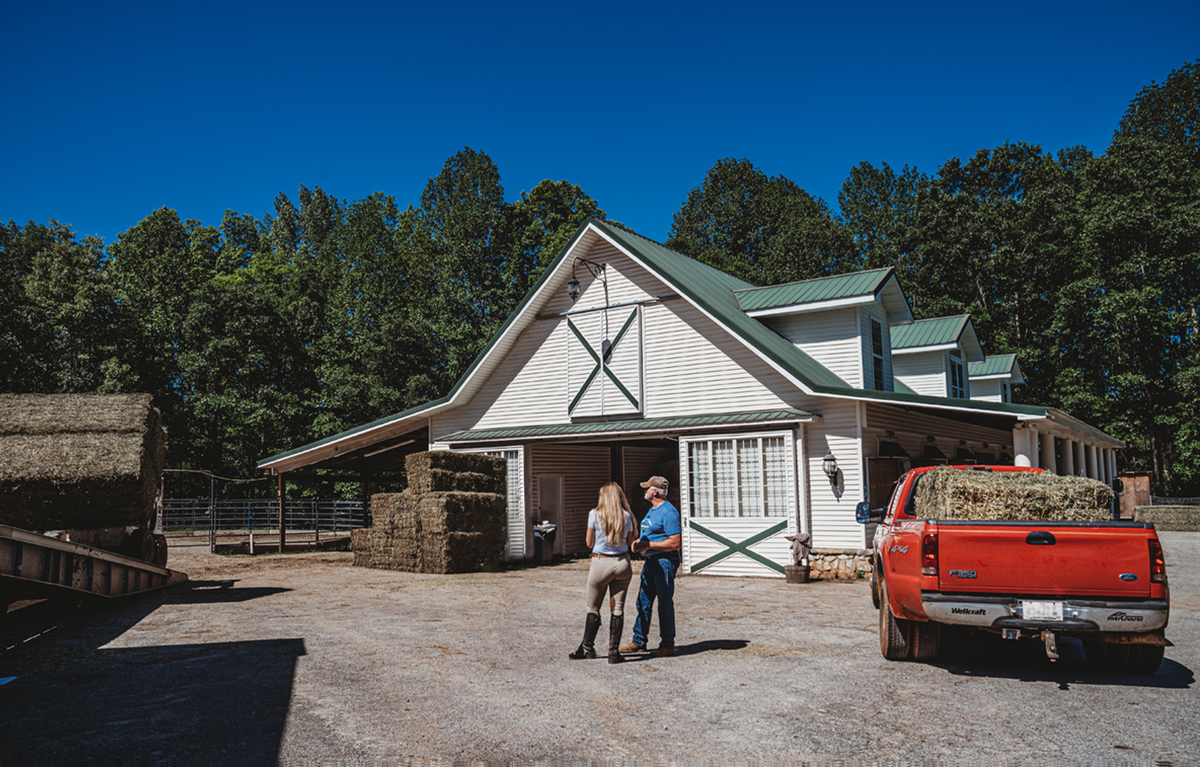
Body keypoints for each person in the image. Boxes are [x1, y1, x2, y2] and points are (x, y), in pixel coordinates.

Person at [568, 482, 637, 664]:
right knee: (618, 608)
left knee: (593, 608)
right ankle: (613, 652)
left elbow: (589, 543)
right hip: (622, 562)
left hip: (601, 562)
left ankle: (587, 647)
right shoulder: (627, 517)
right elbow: (629, 542)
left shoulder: (594, 514)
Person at [620, 475, 682, 657]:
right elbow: (653, 535)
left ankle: (667, 644)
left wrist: (648, 545)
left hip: (664, 561)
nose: (645, 490)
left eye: (647, 488)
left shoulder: (668, 512)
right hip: (650, 561)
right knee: (643, 602)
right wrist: (640, 542)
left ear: (654, 491)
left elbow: (675, 543)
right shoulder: (652, 510)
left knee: (664, 603)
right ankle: (639, 641)